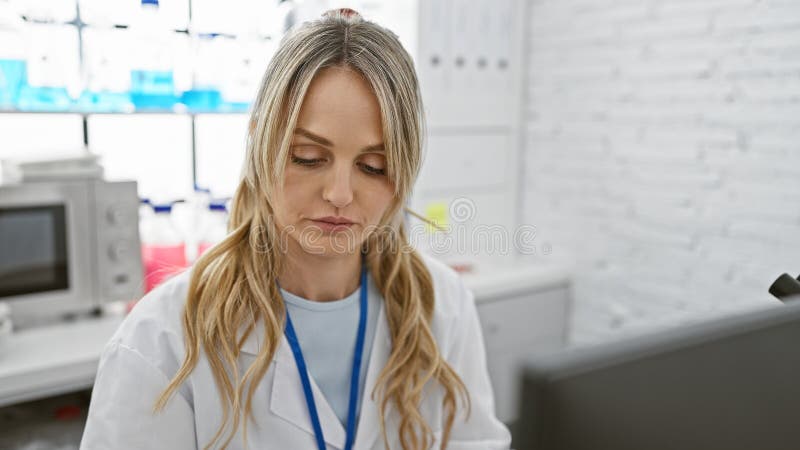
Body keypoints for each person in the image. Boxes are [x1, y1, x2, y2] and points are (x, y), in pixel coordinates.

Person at [80, 8, 511, 450]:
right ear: (261, 145)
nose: (340, 193)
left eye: (372, 166)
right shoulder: (160, 342)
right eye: (308, 157)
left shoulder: (443, 306)